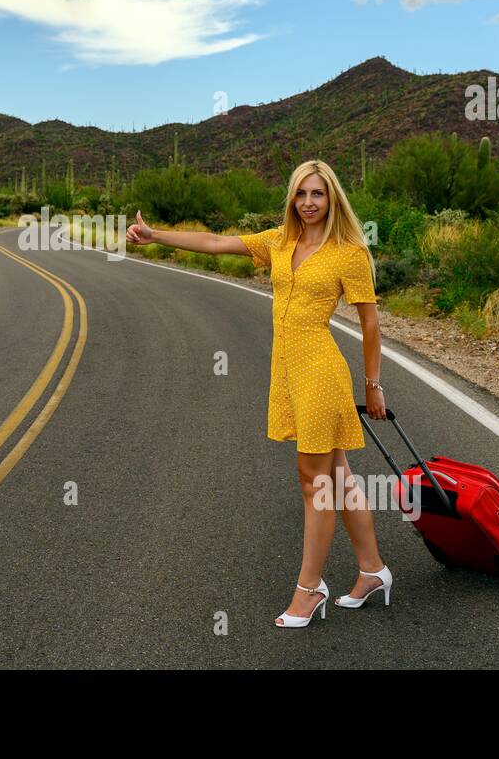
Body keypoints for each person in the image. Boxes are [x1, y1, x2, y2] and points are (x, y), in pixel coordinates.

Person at [125, 159, 392, 629]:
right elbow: (214, 243)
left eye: (318, 194)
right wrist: (156, 236)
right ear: (292, 198)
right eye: (301, 194)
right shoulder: (279, 241)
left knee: (315, 483)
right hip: (288, 370)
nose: (309, 203)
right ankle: (372, 570)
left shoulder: (348, 252)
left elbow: (370, 321)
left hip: (322, 373)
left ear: (333, 199)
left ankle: (310, 589)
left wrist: (373, 384)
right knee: (339, 477)